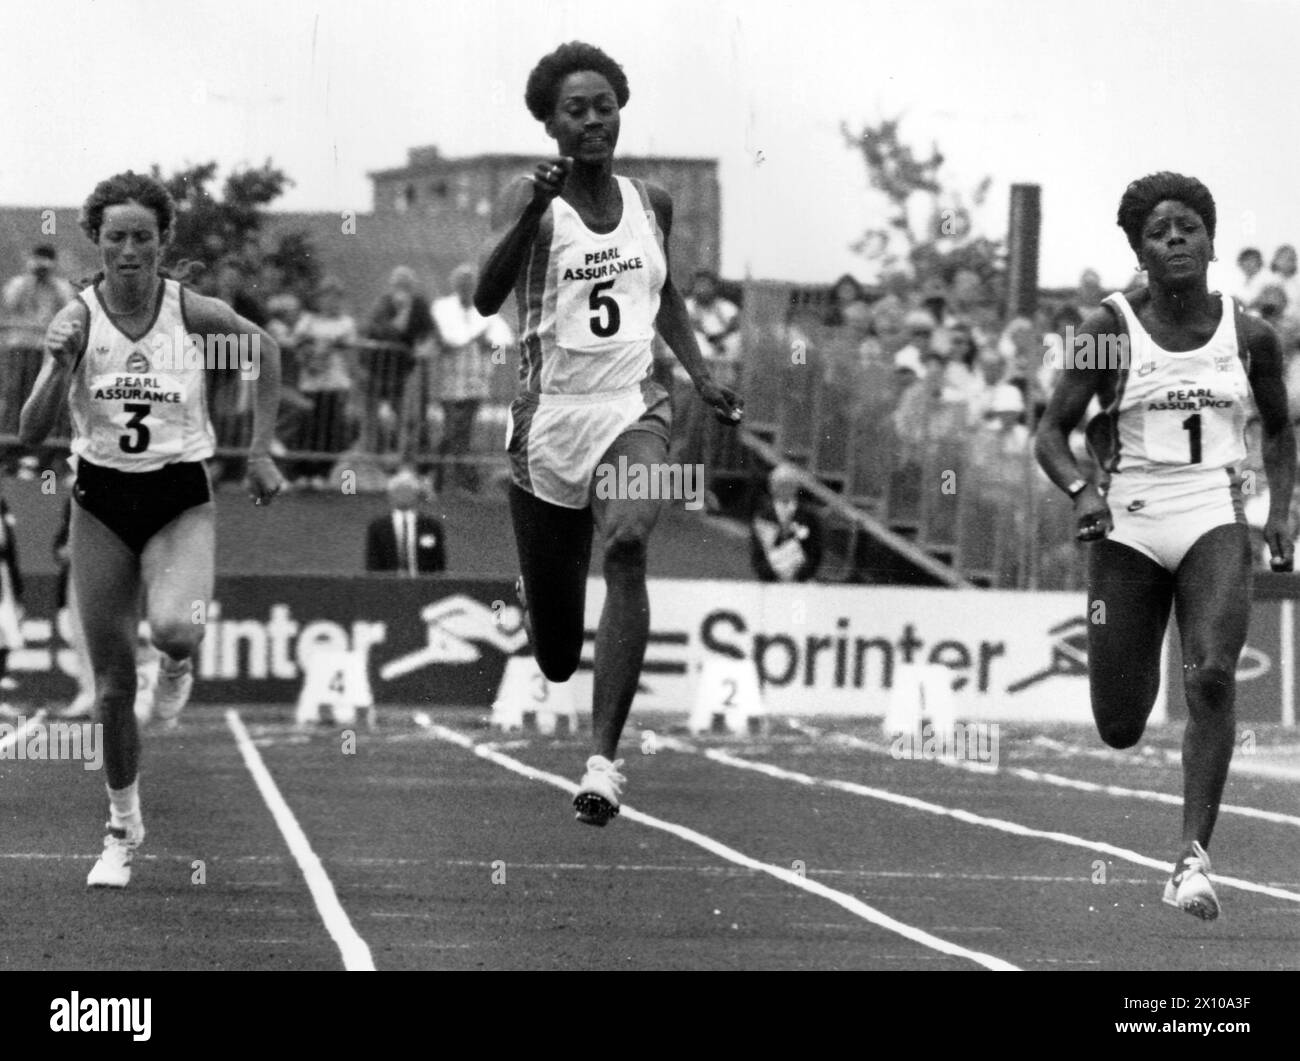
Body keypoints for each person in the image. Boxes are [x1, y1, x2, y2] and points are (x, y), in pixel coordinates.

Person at [474, 41, 743, 826]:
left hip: (635, 407)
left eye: (604, 106)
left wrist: (697, 374)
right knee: (557, 653)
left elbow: (666, 300)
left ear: (619, 111)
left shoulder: (652, 201)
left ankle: (602, 762)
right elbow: (490, 296)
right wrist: (529, 211)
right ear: (551, 125)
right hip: (549, 421)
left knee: (627, 543)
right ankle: (540, 598)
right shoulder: (531, 197)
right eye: (575, 110)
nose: (593, 120)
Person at [1034, 172, 1295, 922]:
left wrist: (1283, 515)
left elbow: (1279, 432)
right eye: (1158, 231)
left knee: (1211, 673)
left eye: (1188, 226)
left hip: (1215, 510)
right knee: (1121, 721)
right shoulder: (1107, 328)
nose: (1176, 238)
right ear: (1139, 252)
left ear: (1211, 239)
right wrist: (1082, 491)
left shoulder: (1252, 336)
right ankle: (1127, 665)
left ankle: (1190, 857)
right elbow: (1051, 431)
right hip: (1127, 523)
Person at [19, 170, 284, 889]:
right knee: (109, 688)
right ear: (97, 243)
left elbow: (265, 352)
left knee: (175, 627)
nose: (129, 250)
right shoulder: (79, 319)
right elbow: (30, 431)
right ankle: (120, 826)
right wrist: (56, 364)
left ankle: (175, 665)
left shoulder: (190, 313)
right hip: (101, 501)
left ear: (163, 242)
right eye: (116, 238)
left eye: (143, 237)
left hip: (178, 497)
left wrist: (259, 450)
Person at [431, 264, 512, 493]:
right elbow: (445, 338)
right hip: (449, 381)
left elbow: (503, 349)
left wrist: (489, 345)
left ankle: (448, 480)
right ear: (455, 285)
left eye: (469, 283)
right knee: (454, 430)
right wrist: (464, 340)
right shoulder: (442, 308)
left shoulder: (487, 310)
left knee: (459, 430)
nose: (466, 287)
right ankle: (457, 480)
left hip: (476, 382)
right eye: (462, 283)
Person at [2, 245, 76, 474]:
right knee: (16, 396)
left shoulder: (60, 286)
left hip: (46, 351)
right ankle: (11, 449)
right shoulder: (18, 284)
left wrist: (51, 281)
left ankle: (45, 453)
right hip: (20, 348)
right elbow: (11, 303)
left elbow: (67, 308)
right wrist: (30, 280)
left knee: (45, 397)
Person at [291, 276, 357, 488]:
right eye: (327, 296)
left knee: (329, 429)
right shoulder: (307, 320)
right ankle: (303, 473)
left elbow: (347, 344)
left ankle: (323, 473)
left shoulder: (346, 322)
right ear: (319, 299)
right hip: (310, 383)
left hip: (336, 384)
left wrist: (325, 346)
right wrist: (310, 356)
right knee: (307, 428)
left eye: (336, 297)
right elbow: (297, 343)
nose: (331, 301)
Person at [361, 267, 434, 454]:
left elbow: (431, 331)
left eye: (407, 285)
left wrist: (424, 346)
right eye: (399, 285)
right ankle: (370, 458)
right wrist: (402, 311)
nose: (403, 289)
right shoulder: (383, 303)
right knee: (372, 419)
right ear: (392, 286)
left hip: (403, 373)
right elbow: (383, 332)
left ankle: (402, 460)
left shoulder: (419, 304)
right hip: (375, 369)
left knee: (406, 418)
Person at [365, 467, 446, 574]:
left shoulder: (432, 526)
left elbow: (439, 564)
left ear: (416, 495)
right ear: (391, 495)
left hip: (423, 585)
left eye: (408, 490)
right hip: (389, 585)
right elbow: (373, 564)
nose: (403, 495)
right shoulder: (378, 527)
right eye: (399, 491)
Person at [750, 465, 822, 582]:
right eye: (780, 485)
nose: (784, 489)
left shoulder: (808, 516)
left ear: (796, 487)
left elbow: (815, 550)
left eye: (789, 484)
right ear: (771, 487)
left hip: (801, 581)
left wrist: (800, 575)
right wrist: (771, 575)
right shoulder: (762, 516)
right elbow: (757, 552)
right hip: (770, 581)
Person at [0, 484, 23, 720]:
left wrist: (17, 590)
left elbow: (10, 549)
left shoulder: (3, 505)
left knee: (5, 637)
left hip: (3, 578)